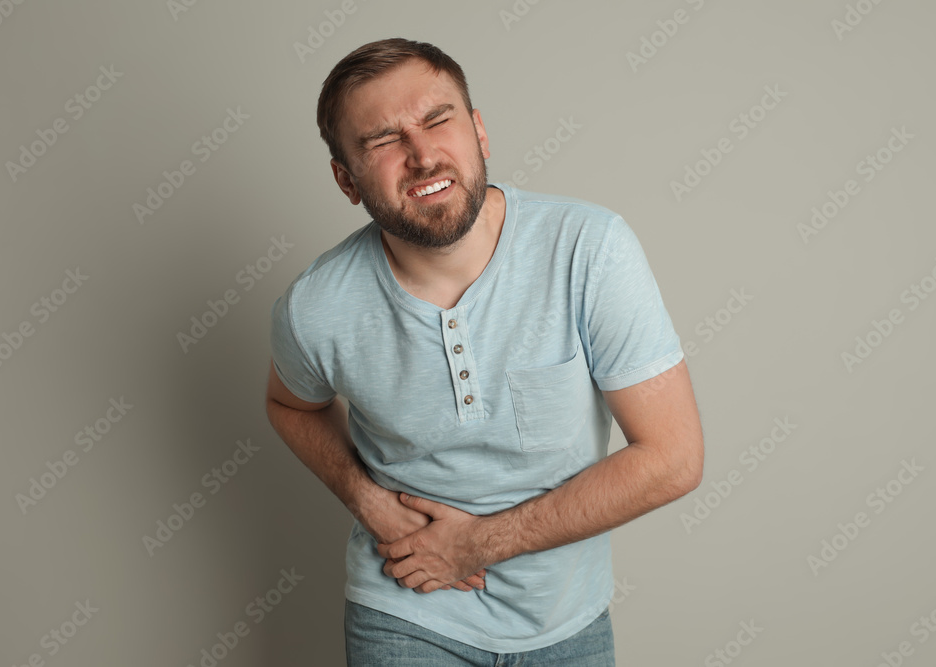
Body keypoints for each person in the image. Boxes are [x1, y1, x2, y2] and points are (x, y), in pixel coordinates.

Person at [266, 37, 704, 666]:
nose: (422, 155)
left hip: (567, 622)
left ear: (478, 132)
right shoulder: (315, 305)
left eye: (438, 120)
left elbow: (673, 459)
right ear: (346, 180)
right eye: (384, 140)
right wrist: (367, 502)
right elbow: (290, 406)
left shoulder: (589, 249)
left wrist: (477, 545)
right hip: (403, 610)